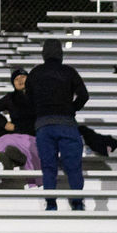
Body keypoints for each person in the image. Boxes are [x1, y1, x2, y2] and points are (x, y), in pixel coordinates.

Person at [27, 38, 88, 212]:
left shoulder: (35, 73)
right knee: (73, 166)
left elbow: (28, 100)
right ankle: (77, 203)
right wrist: (72, 109)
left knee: (48, 166)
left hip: (44, 125)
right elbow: (84, 95)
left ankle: (51, 204)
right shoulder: (69, 71)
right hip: (66, 123)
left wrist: (39, 112)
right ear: (60, 53)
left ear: (44, 53)